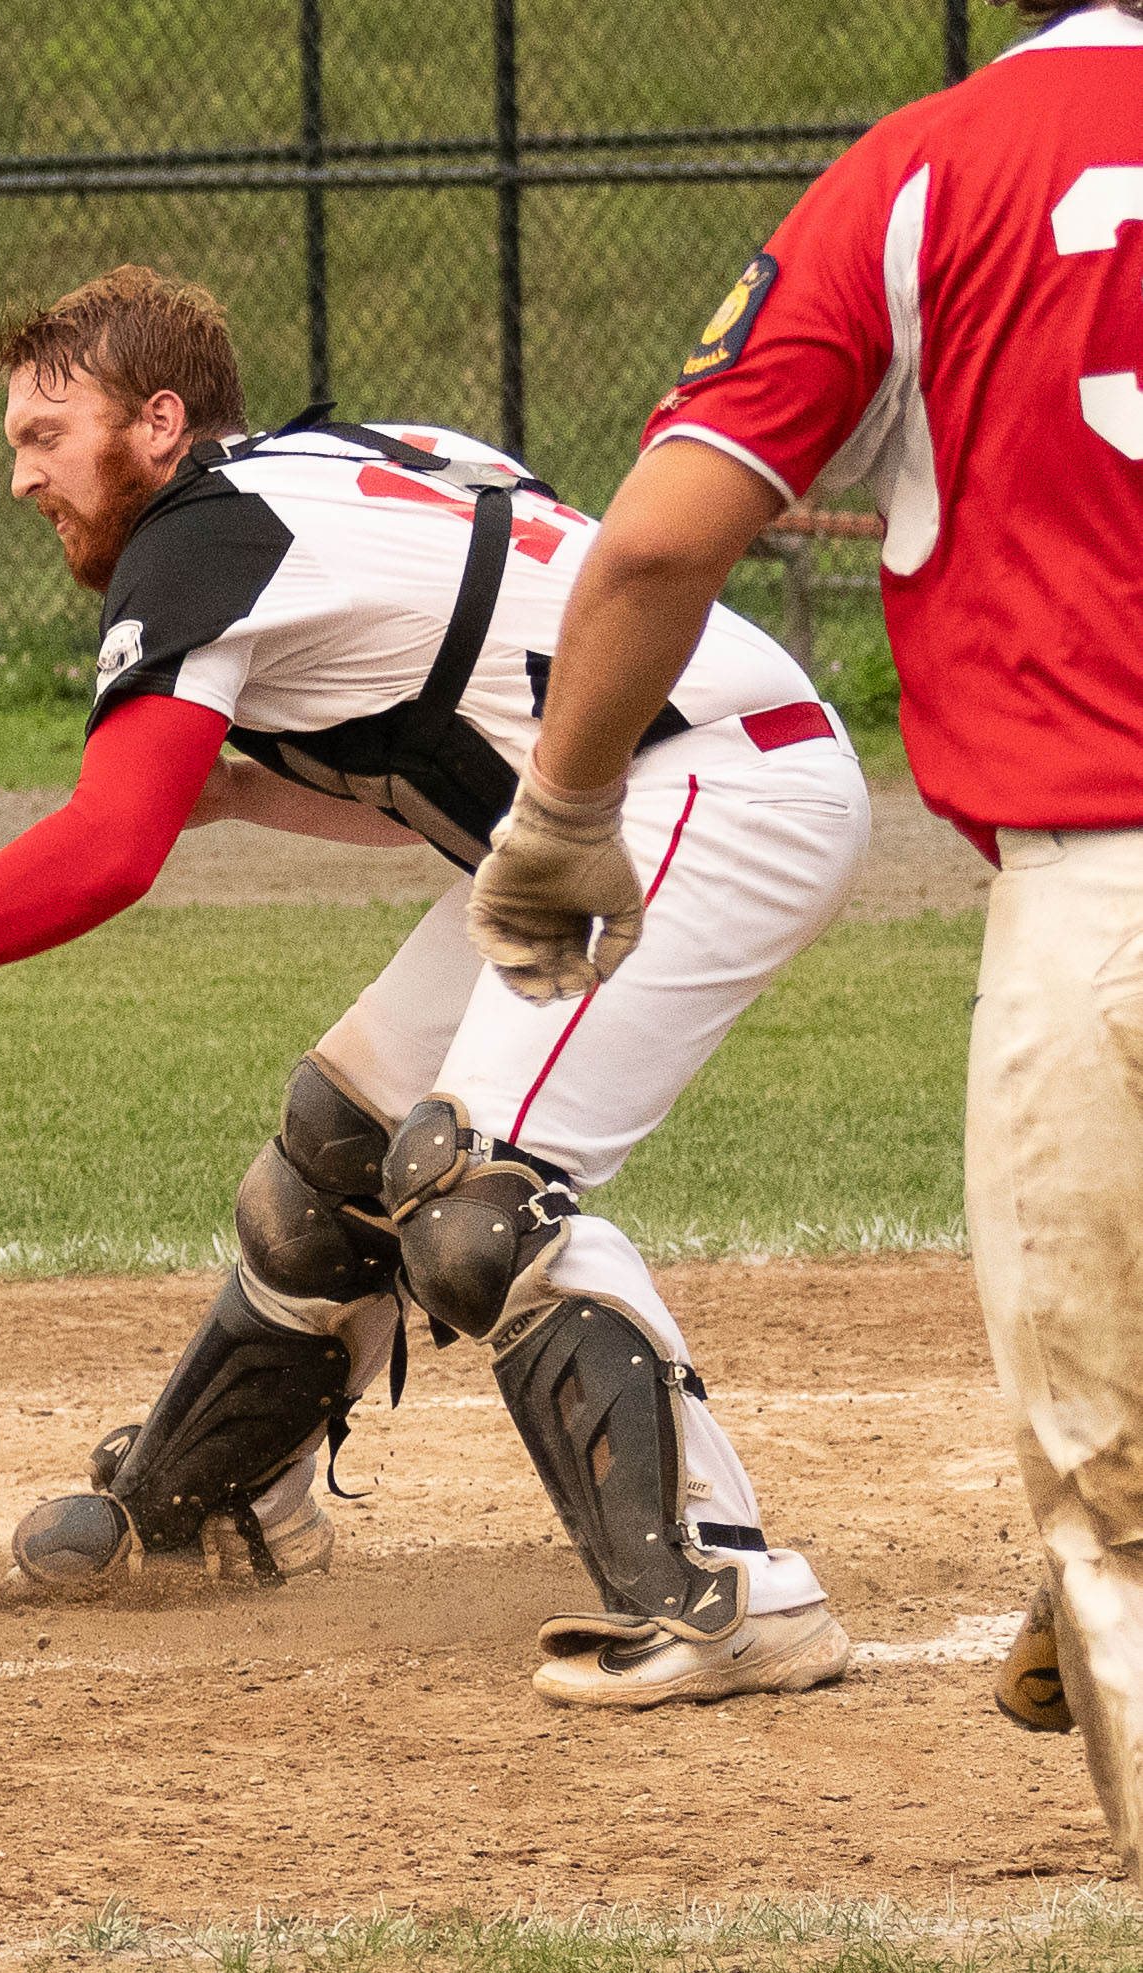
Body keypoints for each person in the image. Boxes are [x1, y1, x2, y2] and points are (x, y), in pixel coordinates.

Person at [0, 265, 867, 1708]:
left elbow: (105, 851)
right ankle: (216, 1505)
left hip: (707, 783)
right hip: (622, 790)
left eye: (47, 432)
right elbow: (432, 733)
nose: (19, 472)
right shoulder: (332, 469)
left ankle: (721, 1589)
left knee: (472, 1190)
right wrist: (223, 795)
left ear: (157, 425)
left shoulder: (199, 540)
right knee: (342, 1144)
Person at [464, 0, 1143, 1842]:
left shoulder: (925, 173)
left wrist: (563, 815)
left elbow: (669, 537)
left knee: (1115, 1530)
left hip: (1101, 884)